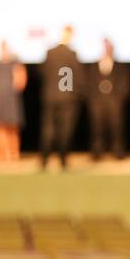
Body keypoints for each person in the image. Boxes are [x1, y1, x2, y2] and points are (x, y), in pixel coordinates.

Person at [40, 25, 84, 170]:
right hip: (67, 97)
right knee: (64, 129)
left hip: (51, 96)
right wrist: (73, 93)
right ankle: (62, 160)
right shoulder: (71, 54)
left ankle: (44, 160)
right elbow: (76, 77)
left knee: (49, 129)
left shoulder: (50, 53)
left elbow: (44, 73)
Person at [86, 37, 130, 160]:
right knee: (97, 128)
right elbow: (87, 83)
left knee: (117, 128)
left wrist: (119, 98)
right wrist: (92, 99)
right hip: (97, 101)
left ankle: (118, 152)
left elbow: (125, 83)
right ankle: (96, 153)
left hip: (114, 102)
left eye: (108, 47)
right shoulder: (93, 66)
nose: (106, 50)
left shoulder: (120, 66)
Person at [0, 40, 26, 161]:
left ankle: (14, 153)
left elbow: (21, 82)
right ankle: (2, 154)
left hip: (12, 99)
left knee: (13, 127)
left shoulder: (16, 65)